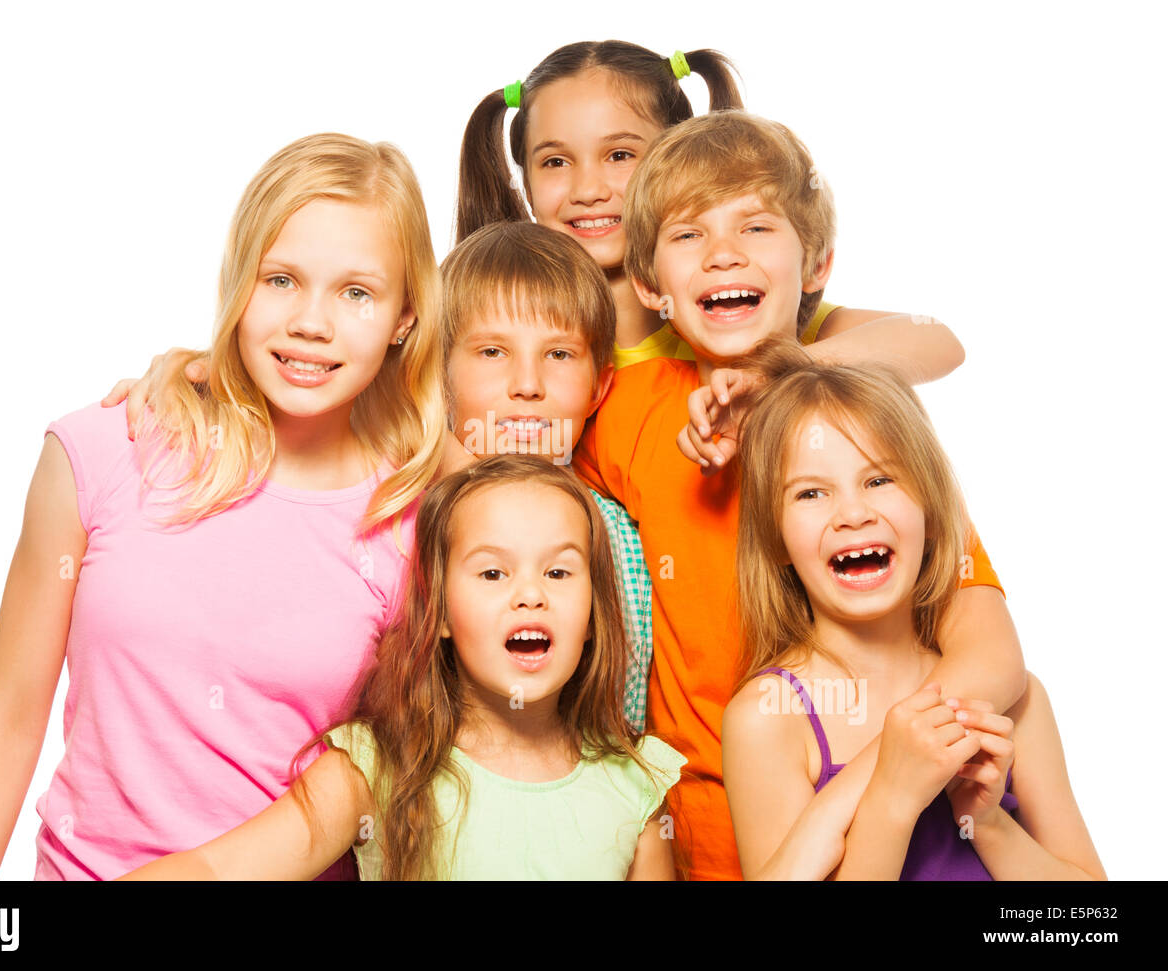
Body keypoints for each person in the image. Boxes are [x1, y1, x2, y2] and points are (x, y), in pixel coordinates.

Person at [0, 133, 446, 880]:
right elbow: (8, 715)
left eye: (356, 292)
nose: (311, 322)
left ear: (404, 318)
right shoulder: (110, 445)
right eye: (280, 280)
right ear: (239, 284)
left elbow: (386, 774)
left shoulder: (416, 518)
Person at [571, 109, 1026, 880]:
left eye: (755, 228)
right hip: (702, 838)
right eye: (688, 236)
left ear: (815, 264)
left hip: (890, 811)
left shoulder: (855, 426)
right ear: (650, 284)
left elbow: (939, 338)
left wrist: (786, 372)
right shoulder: (623, 407)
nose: (722, 254)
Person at [123, 455, 685, 880]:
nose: (530, 596)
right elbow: (216, 871)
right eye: (493, 574)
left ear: (593, 614)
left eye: (559, 573)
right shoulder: (375, 767)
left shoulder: (638, 785)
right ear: (438, 611)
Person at [723, 343, 1104, 880]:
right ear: (776, 536)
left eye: (880, 480)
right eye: (811, 493)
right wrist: (892, 800)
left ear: (929, 508)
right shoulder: (768, 718)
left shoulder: (1018, 701)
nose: (852, 513)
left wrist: (986, 822)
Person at [455, 39, 963, 374]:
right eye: (555, 162)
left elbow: (937, 342)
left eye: (620, 155)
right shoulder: (516, 339)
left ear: (681, 156)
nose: (588, 188)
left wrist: (780, 371)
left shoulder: (737, 313)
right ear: (525, 177)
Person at [438, 220, 653, 730]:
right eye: (493, 352)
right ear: (437, 372)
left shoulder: (618, 534)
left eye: (558, 354)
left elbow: (626, 719)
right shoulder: (404, 513)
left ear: (599, 387)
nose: (528, 384)